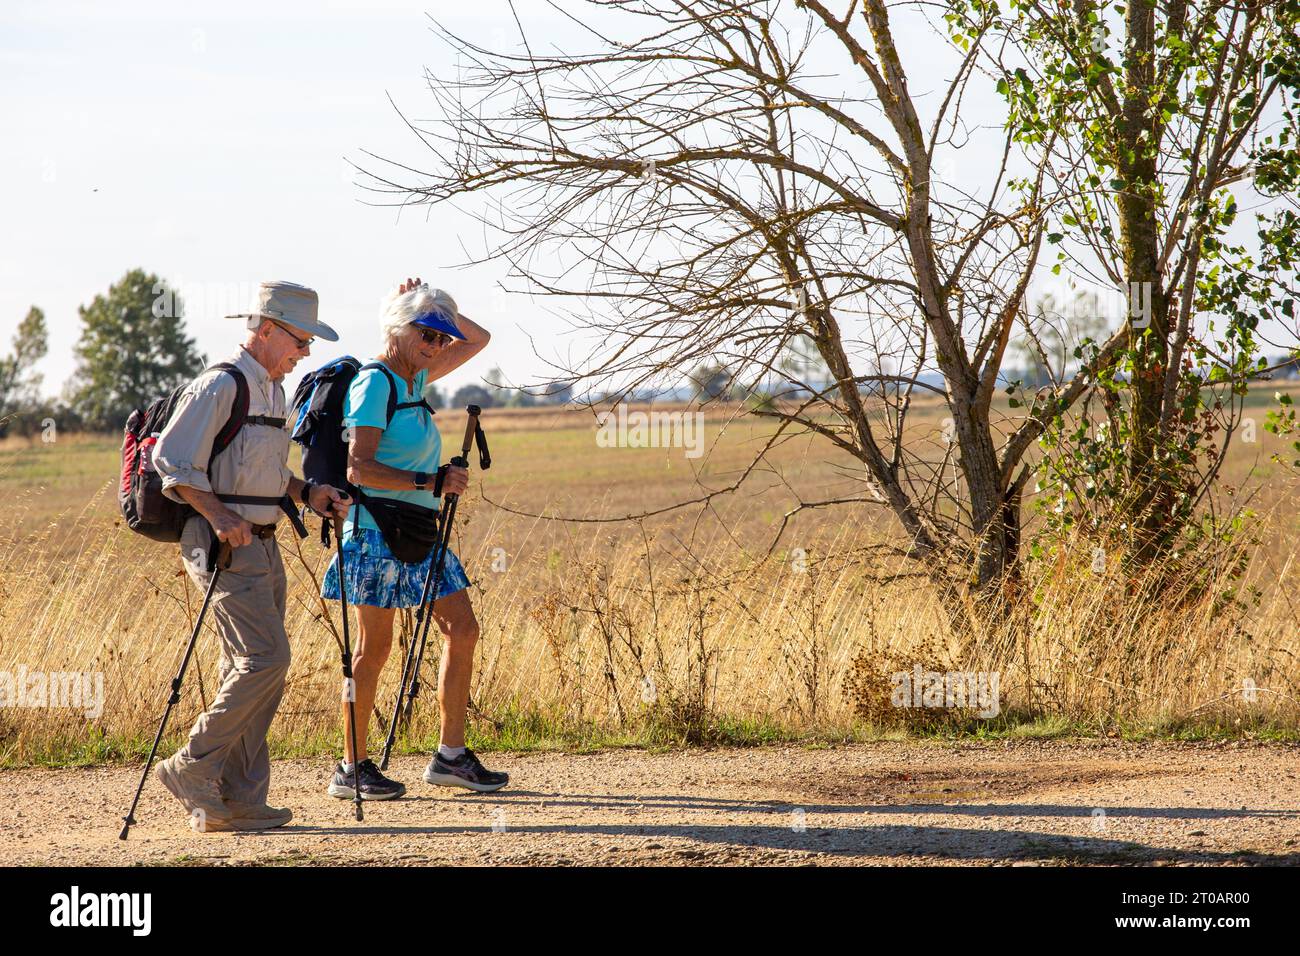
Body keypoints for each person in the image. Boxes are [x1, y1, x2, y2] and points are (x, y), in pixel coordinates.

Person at [151, 280, 352, 832]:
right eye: (299, 340)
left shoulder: (273, 391)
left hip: (262, 545)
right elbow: (171, 461)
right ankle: (190, 768)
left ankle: (236, 799)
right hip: (222, 546)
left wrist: (305, 493)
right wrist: (219, 517)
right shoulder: (221, 385)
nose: (305, 353)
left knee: (251, 669)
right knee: (266, 660)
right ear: (266, 331)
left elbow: (259, 471)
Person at [320, 277, 506, 799]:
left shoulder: (416, 377)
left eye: (440, 338)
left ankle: (450, 756)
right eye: (426, 334)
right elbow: (359, 468)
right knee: (373, 649)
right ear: (396, 331)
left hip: (421, 530)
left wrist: (438, 304)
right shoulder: (375, 382)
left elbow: (479, 339)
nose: (437, 346)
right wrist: (430, 481)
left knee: (462, 630)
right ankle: (351, 766)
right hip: (376, 532)